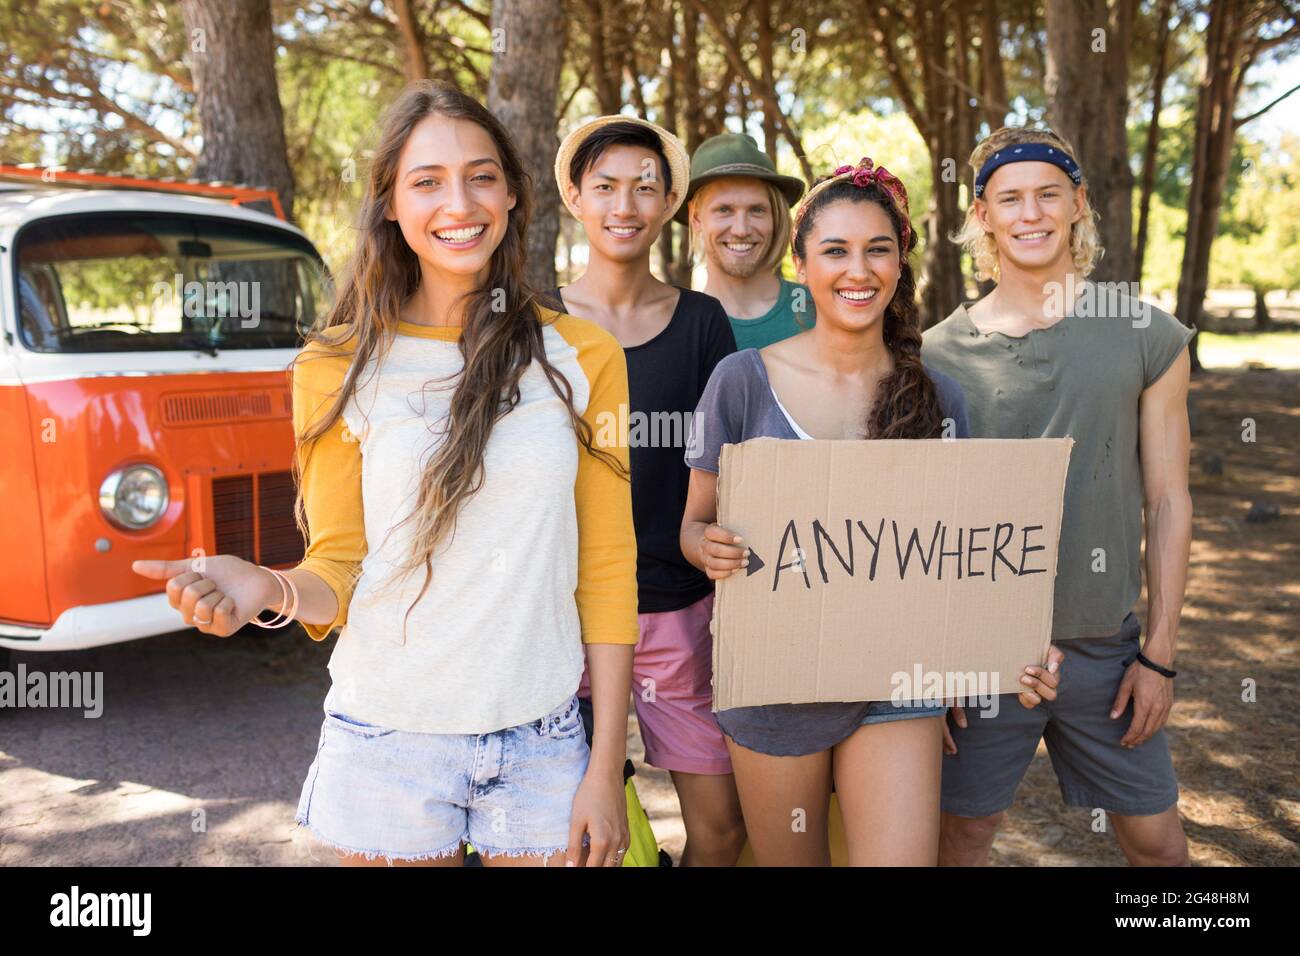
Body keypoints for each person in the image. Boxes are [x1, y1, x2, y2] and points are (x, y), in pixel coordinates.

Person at [134, 80, 639, 867]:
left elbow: (606, 571)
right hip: (388, 739)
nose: (458, 202)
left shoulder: (584, 355)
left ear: (510, 194)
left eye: (480, 175)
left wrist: (605, 767)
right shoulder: (335, 364)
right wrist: (264, 586)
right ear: (392, 207)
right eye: (426, 181)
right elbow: (341, 563)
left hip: (542, 743)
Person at [680, 157, 1062, 866]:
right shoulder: (741, 381)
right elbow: (693, 526)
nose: (859, 271)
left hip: (897, 682)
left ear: (899, 261)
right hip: (775, 683)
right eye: (835, 251)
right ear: (800, 263)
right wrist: (712, 546)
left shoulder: (941, 399)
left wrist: (1015, 649)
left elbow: (967, 561)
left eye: (877, 250)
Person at [922, 126, 1193, 867]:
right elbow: (924, 519)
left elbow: (1169, 499)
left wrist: (1160, 658)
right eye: (1010, 198)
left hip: (1108, 651)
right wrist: (931, 660)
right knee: (962, 838)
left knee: (1159, 845)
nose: (1030, 212)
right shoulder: (936, 354)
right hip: (979, 655)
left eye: (1048, 194)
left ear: (1079, 203)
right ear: (982, 216)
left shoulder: (1148, 335)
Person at [548, 116, 745, 866]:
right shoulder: (536, 323)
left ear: (669, 204)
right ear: (575, 197)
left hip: (675, 609)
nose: (623, 204)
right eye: (605, 186)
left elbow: (733, 471)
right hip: (560, 615)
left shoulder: (703, 323)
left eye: (644, 186)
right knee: (570, 830)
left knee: (723, 830)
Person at [679, 132, 815, 349]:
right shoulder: (678, 326)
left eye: (757, 210)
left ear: (775, 216)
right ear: (696, 218)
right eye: (724, 210)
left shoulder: (816, 308)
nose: (741, 230)